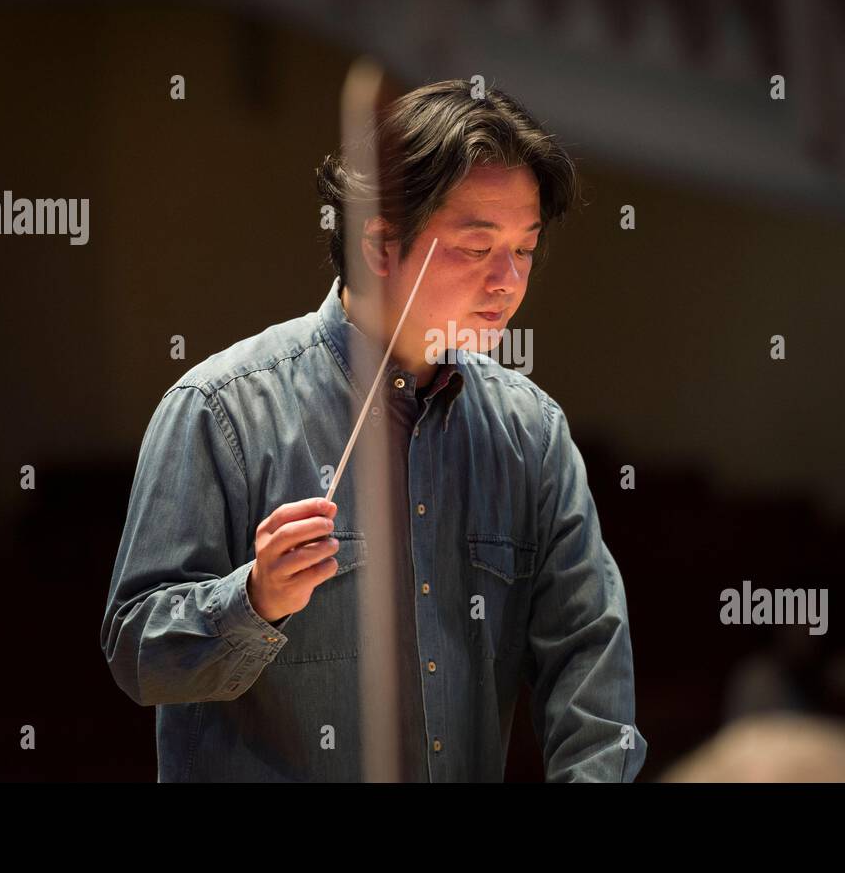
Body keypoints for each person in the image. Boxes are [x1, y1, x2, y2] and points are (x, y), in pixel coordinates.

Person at [100, 78, 645, 781]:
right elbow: (136, 653)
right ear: (380, 244)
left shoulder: (532, 434)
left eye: (526, 248)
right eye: (478, 248)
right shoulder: (219, 408)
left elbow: (590, 668)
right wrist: (253, 598)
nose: (509, 280)